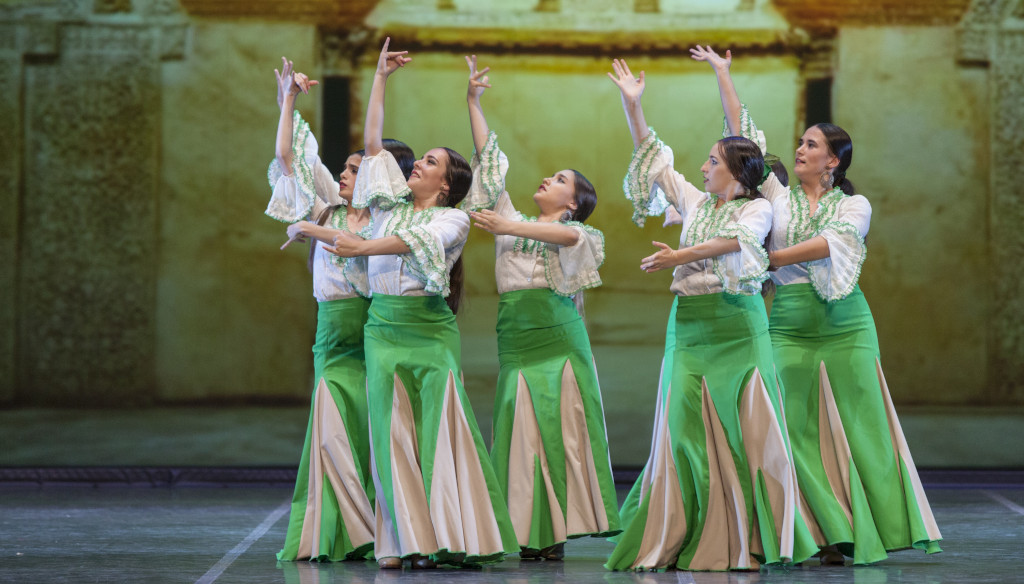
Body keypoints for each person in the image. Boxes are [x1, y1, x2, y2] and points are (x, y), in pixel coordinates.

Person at [693, 44, 942, 565]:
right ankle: (825, 529)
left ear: (833, 159)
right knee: (794, 428)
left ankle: (871, 525)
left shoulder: (855, 204)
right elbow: (744, 140)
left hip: (845, 324)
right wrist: (723, 74)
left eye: (810, 145)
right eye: (800, 144)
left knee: (860, 427)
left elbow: (831, 242)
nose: (799, 150)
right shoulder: (776, 197)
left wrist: (770, 253)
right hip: (787, 323)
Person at [603, 58, 816, 572]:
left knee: (742, 432)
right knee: (681, 429)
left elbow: (736, 243)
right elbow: (653, 161)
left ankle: (742, 537)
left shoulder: (757, 208)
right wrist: (633, 104)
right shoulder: (695, 202)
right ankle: (681, 531)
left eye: (712, 160)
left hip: (736, 326)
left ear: (737, 171)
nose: (703, 167)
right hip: (690, 324)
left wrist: (680, 256)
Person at [324, 39, 518, 570]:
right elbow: (373, 144)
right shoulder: (387, 204)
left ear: (446, 183)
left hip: (429, 334)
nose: (417, 165)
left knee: (436, 433)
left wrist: (363, 245)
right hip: (383, 329)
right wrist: (382, 78)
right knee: (392, 435)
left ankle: (443, 535)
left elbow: (409, 244)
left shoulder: (450, 220)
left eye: (429, 162)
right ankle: (403, 537)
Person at [460, 56, 620, 561]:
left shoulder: (578, 232)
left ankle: (555, 530)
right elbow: (489, 162)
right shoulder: (513, 218)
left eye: (559, 180)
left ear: (573, 201)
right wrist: (473, 103)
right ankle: (529, 528)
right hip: (517, 338)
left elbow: (565, 235)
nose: (548, 180)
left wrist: (510, 227)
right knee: (519, 429)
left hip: (558, 340)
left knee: (558, 430)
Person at [267, 58, 413, 562]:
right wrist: (288, 97)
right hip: (333, 333)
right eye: (346, 169)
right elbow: (289, 158)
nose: (346, 175)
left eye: (356, 169)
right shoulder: (327, 206)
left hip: (372, 329)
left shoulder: (389, 217)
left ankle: (380, 529)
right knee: (332, 431)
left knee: (371, 432)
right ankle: (340, 528)